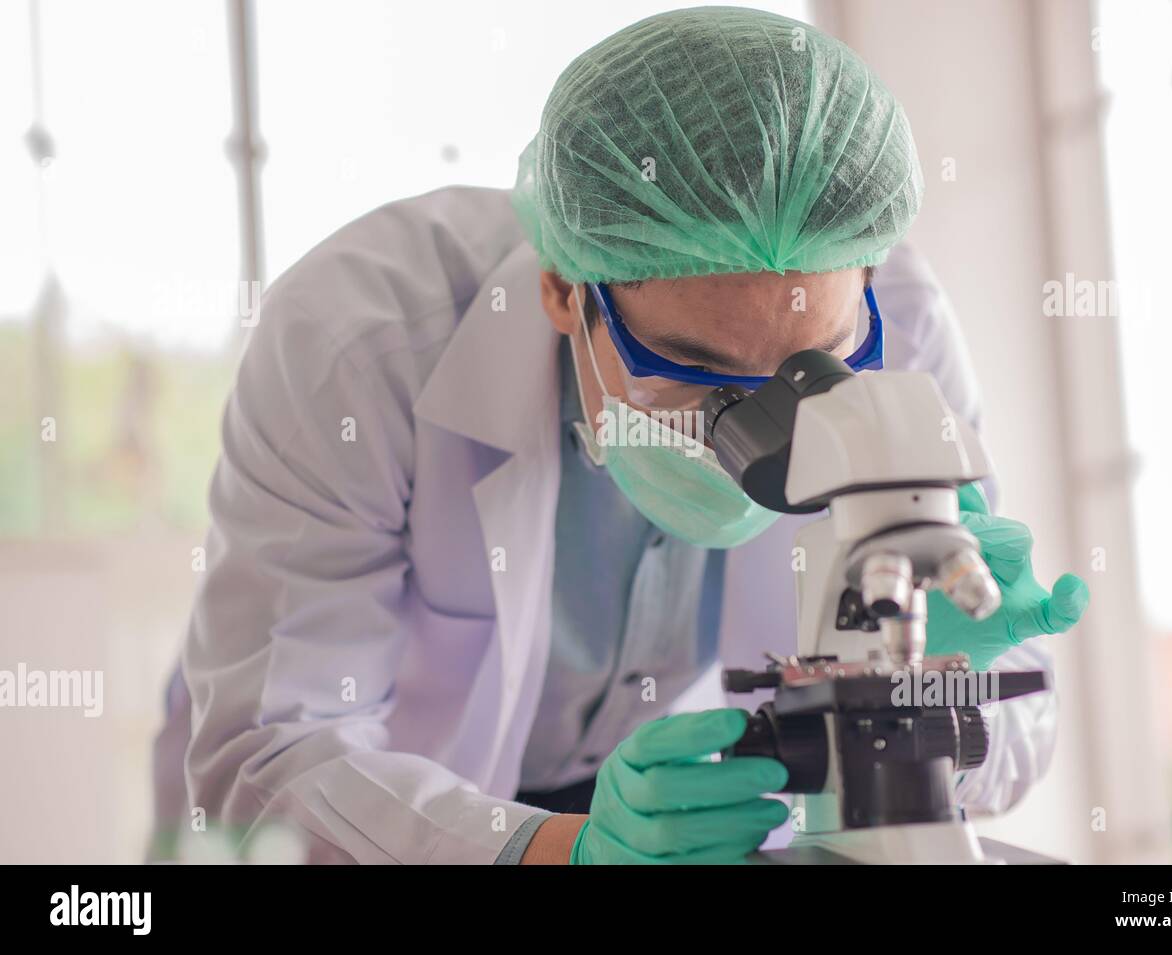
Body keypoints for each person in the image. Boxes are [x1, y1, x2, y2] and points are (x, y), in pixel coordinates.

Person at [151, 6, 1088, 864]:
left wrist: (934, 693)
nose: (757, 427)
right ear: (564, 285)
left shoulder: (904, 330)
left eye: (808, 368)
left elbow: (1023, 732)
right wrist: (562, 853)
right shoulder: (361, 343)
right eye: (692, 368)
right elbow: (272, 757)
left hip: (672, 807)